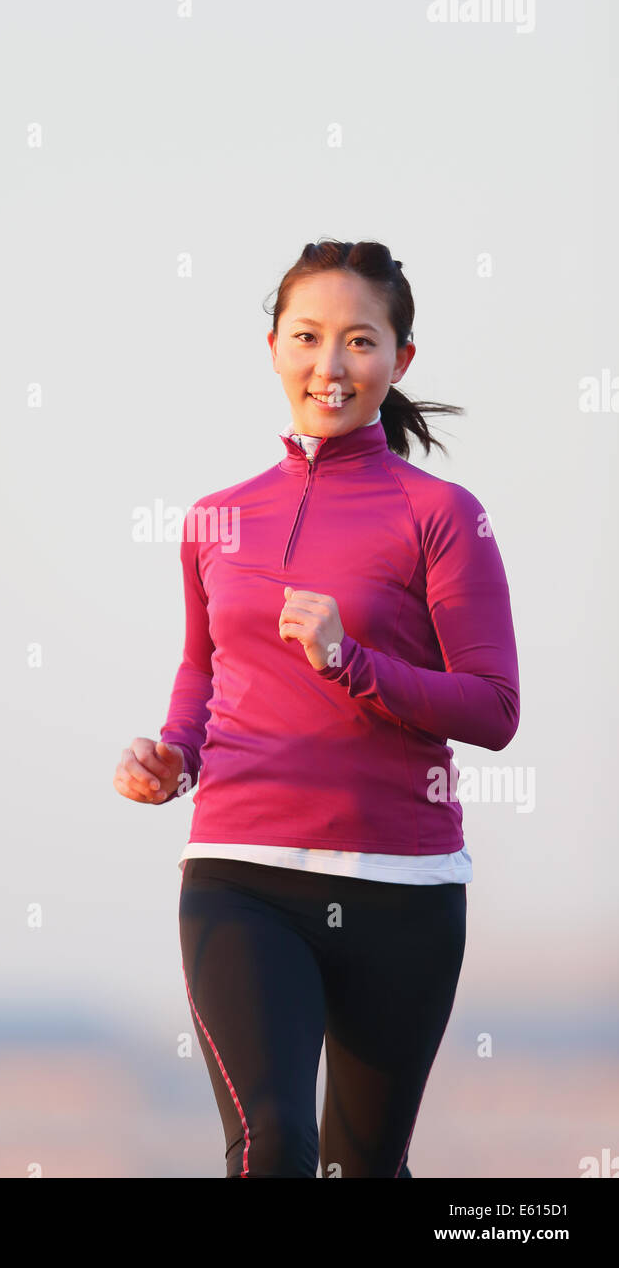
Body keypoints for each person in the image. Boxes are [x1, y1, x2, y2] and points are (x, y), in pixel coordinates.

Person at [112, 238, 520, 1178]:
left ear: (400, 359)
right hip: (241, 873)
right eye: (306, 337)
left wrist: (352, 663)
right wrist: (174, 755)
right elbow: (203, 673)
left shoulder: (443, 515)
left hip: (405, 888)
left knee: (362, 1166)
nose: (329, 367)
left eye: (359, 342)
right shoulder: (215, 517)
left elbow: (494, 709)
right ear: (271, 348)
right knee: (273, 1146)